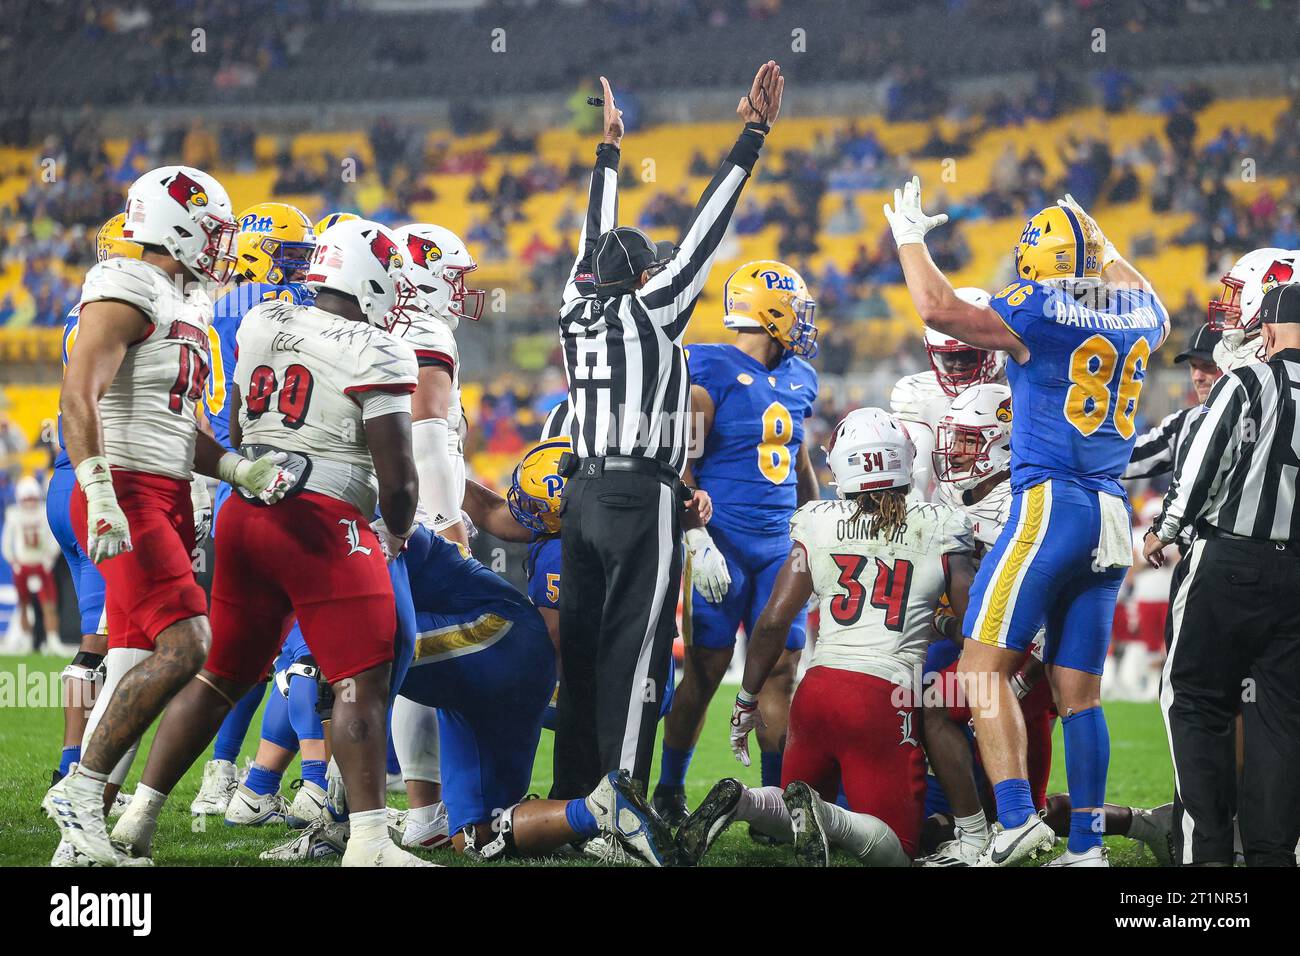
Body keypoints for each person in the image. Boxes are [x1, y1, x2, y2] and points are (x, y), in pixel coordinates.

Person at [109, 217, 428, 867]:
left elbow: (234, 423)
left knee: (221, 675)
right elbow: (398, 479)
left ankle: (138, 816)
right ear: (366, 278)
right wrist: (393, 529)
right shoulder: (380, 349)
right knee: (358, 680)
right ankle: (368, 842)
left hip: (246, 513)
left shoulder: (262, 321)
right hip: (324, 521)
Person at [884, 179, 1169, 866]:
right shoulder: (1141, 312)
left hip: (1049, 504)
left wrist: (908, 237)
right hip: (1111, 515)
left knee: (980, 672)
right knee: (1080, 697)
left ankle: (1016, 818)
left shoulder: (1039, 306)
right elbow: (1143, 293)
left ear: (1033, 264)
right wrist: (1097, 242)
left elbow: (936, 306)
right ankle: (1089, 848)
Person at [43, 166, 294, 868]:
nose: (222, 246)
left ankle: (76, 847)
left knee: (128, 654)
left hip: (167, 489)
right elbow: (76, 398)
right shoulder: (124, 286)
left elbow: (176, 423)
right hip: (122, 488)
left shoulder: (187, 300)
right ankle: (81, 790)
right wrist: (96, 491)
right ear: (177, 226)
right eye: (214, 231)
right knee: (188, 644)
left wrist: (237, 469)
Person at [553, 65, 783, 799]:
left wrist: (609, 154)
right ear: (644, 278)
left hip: (580, 491)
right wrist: (752, 136)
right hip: (637, 497)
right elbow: (708, 229)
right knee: (636, 651)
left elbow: (595, 244)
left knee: (583, 654)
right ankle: (618, 806)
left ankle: (569, 802)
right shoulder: (652, 313)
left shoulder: (572, 309)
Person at [677, 408, 976, 866]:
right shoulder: (940, 524)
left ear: (841, 465)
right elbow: (971, 624)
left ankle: (743, 802)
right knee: (899, 850)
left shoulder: (817, 521)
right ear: (905, 459)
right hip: (883, 696)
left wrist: (747, 699)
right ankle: (828, 818)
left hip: (816, 694)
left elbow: (774, 621)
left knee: (793, 803)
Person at [653, 259, 820, 825]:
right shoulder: (710, 369)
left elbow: (797, 456)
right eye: (796, 308)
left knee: (780, 670)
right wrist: (695, 534)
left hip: (779, 544)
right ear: (770, 311)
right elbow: (683, 464)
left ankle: (776, 801)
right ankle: (670, 788)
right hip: (721, 544)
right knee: (704, 669)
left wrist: (815, 522)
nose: (803, 321)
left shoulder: (800, 377)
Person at [1144, 281, 1300, 867]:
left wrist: (1168, 529)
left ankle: (1205, 856)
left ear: (1269, 330)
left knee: (1196, 705)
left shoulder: (1250, 379)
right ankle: (1271, 857)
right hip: (1296, 575)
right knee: (1281, 721)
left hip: (1230, 562)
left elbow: (1204, 460)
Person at [190, 200, 318, 818]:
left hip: (226, 481)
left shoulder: (213, 307)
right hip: (277, 478)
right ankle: (307, 782)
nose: (302, 268)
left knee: (244, 647)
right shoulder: (289, 312)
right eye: (291, 255)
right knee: (297, 641)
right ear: (256, 251)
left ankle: (221, 774)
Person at [44, 213, 136, 789]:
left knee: (96, 638)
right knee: (110, 644)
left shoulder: (87, 307)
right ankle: (80, 772)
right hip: (94, 480)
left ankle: (71, 762)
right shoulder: (128, 306)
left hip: (62, 479)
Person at [890, 305, 1002, 497]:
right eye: (949, 356)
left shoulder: (1015, 385)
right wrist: (914, 496)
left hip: (1010, 497)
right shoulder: (919, 392)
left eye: (967, 355)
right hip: (949, 505)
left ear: (991, 350)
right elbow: (918, 467)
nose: (959, 364)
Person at [2, 476, 61, 647]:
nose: (29, 502)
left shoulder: (43, 512)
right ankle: (27, 640)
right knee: (23, 605)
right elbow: (6, 542)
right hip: (23, 564)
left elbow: (53, 538)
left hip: (41, 563)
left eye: (32, 498)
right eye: (26, 499)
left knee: (49, 604)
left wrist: (49, 558)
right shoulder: (13, 514)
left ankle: (52, 640)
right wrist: (14, 562)